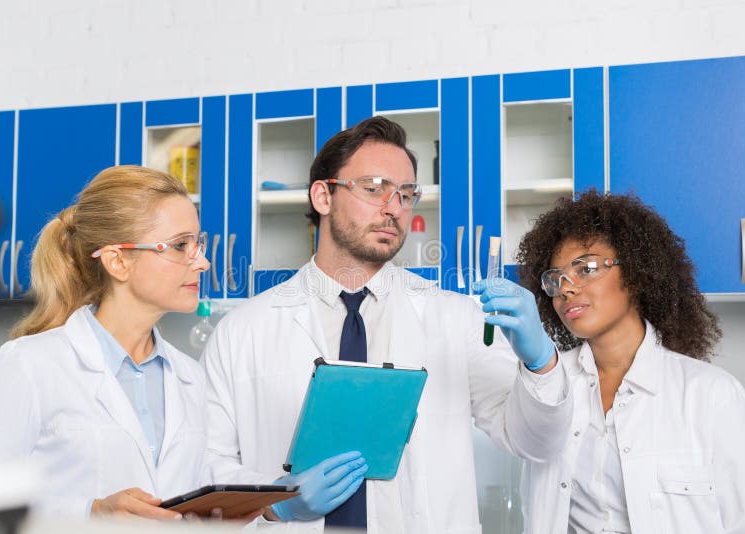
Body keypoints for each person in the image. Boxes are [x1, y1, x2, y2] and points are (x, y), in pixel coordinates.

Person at [200, 116, 573, 533]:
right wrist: (276, 502)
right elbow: (206, 465)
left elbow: (534, 442)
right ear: (323, 196)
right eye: (374, 188)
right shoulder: (242, 331)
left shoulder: (454, 318)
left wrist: (540, 364)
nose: (393, 207)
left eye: (406, 194)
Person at [503, 190, 745, 533]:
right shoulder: (548, 381)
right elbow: (522, 442)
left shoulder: (711, 394)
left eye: (586, 269)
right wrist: (536, 367)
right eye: (555, 279)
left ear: (635, 274)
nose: (566, 289)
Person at [0, 165, 215, 520]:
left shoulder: (190, 376)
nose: (203, 262)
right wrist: (92, 512)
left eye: (198, 244)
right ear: (118, 261)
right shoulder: (29, 364)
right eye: (180, 246)